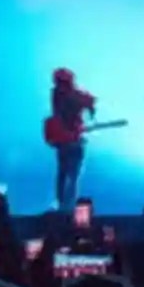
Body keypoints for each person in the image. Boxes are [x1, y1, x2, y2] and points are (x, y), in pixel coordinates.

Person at [49, 68, 95, 211]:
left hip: (65, 142)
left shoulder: (57, 94)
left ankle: (63, 204)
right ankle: (66, 206)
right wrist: (91, 111)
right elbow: (90, 101)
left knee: (65, 174)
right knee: (70, 175)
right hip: (71, 142)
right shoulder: (72, 95)